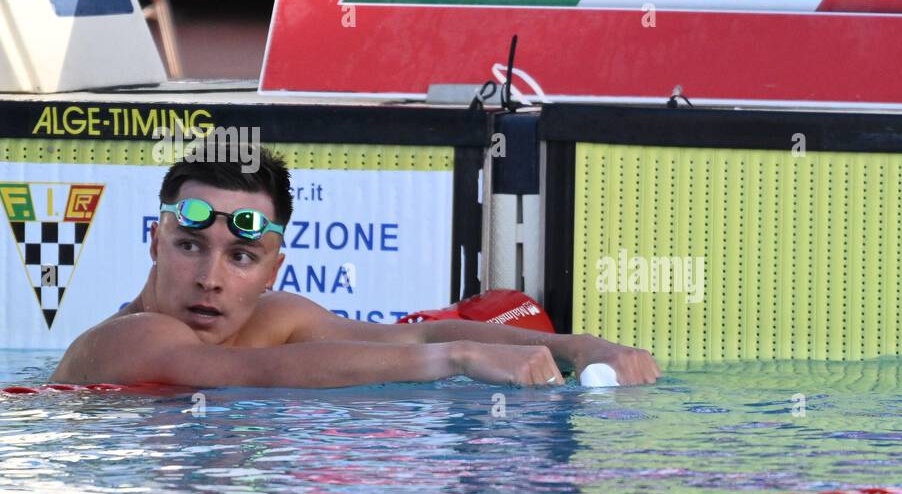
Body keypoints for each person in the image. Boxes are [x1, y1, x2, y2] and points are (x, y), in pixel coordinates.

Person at [52, 141, 661, 389]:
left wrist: (581, 347)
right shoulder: (131, 339)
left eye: (241, 257)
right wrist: (459, 359)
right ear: (156, 242)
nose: (211, 276)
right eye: (190, 245)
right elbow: (254, 374)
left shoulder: (275, 318)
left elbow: (416, 333)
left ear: (273, 271)